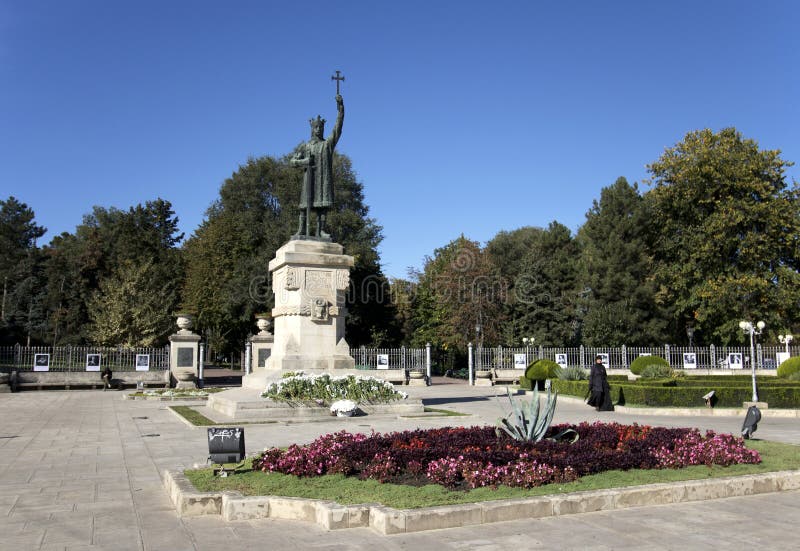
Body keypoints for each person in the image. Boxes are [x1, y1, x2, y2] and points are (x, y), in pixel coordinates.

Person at [291, 93, 344, 239]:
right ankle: (301, 230)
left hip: (322, 181)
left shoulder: (327, 144)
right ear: (312, 129)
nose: (318, 130)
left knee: (322, 206)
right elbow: (293, 161)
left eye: (320, 128)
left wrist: (341, 109)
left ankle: (320, 230)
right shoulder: (305, 146)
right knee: (304, 206)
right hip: (309, 180)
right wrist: (304, 162)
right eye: (316, 128)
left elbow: (337, 129)